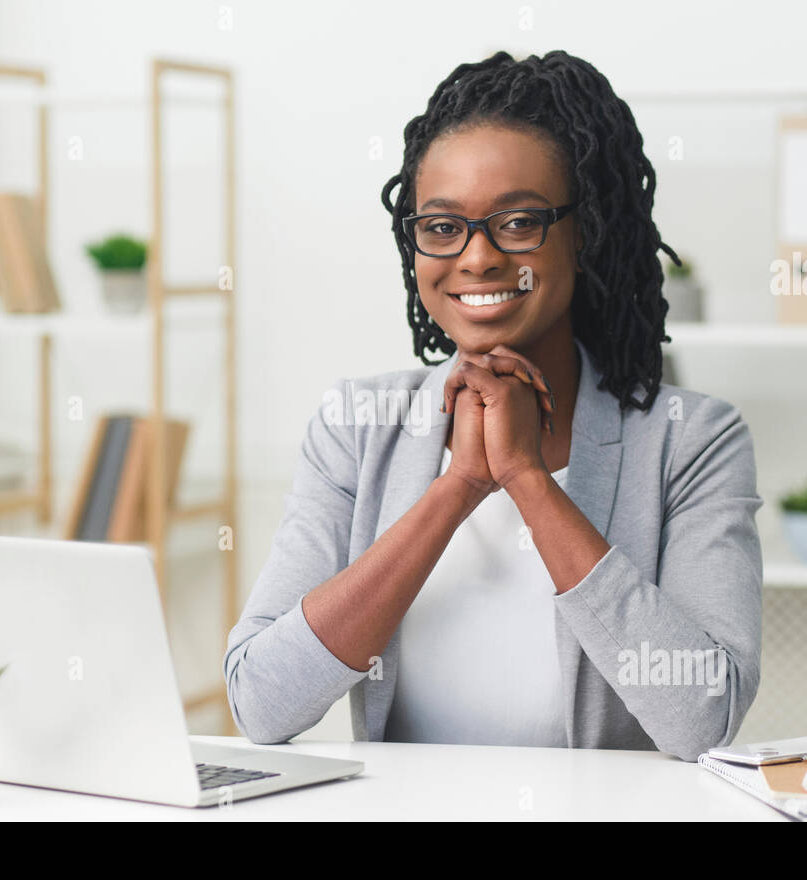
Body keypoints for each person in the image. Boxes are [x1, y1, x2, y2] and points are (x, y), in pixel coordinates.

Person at [223, 50, 763, 761]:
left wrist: (530, 482)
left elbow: (703, 716)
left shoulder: (691, 439)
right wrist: (458, 488)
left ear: (586, 232)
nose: (476, 258)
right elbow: (260, 703)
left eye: (517, 222)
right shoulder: (356, 427)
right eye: (443, 227)